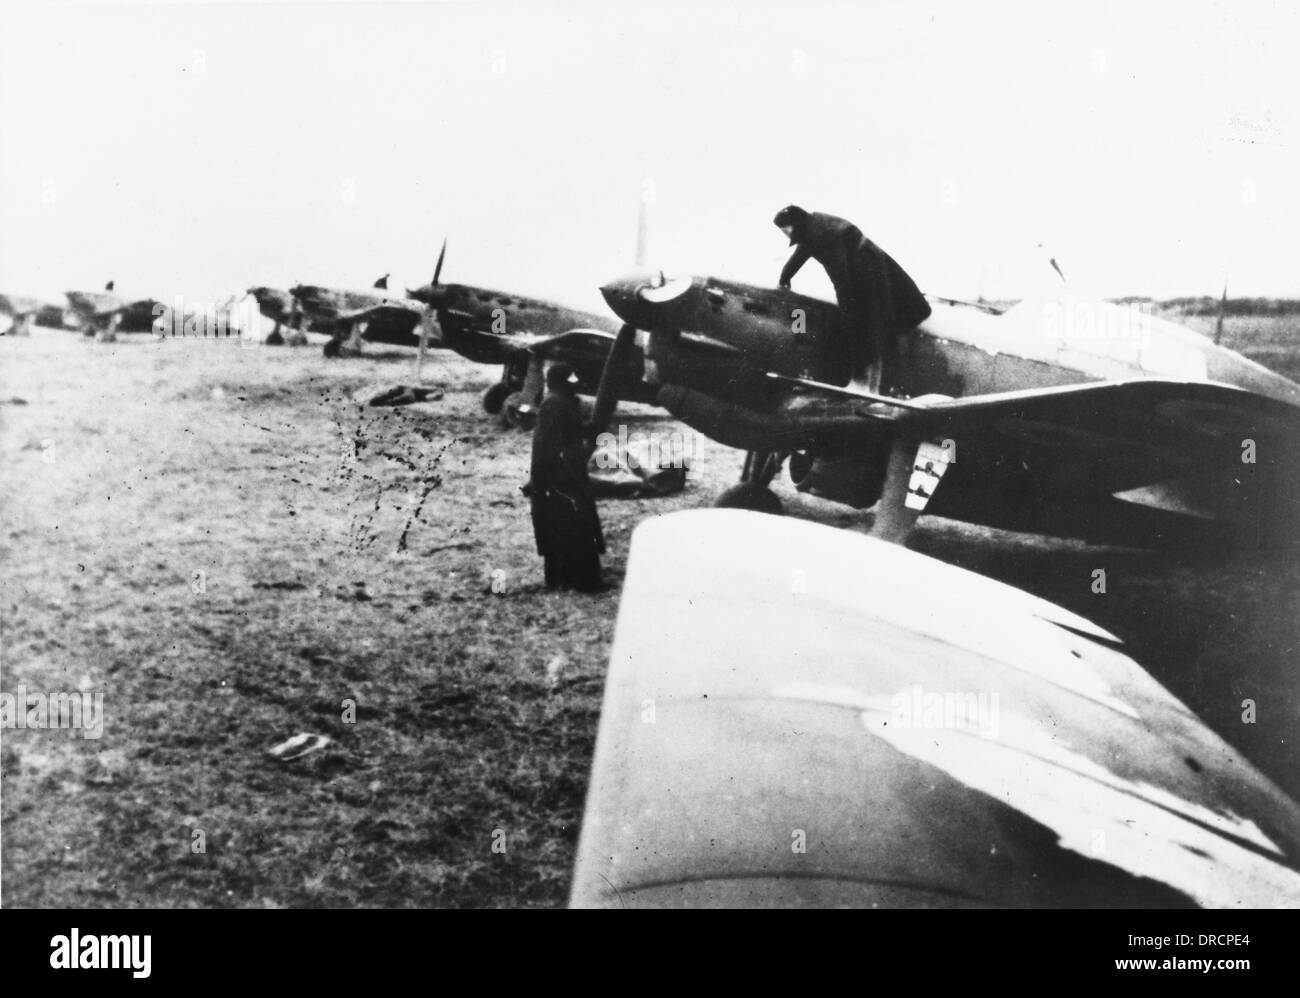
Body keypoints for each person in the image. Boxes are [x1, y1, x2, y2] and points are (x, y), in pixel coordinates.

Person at [774, 205, 931, 389]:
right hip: (867, 264)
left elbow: (841, 279)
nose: (785, 234)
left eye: (785, 230)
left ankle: (864, 385)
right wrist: (784, 279)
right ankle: (869, 384)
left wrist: (847, 310)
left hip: (867, 272)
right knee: (872, 328)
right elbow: (801, 254)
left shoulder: (821, 235)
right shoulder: (812, 227)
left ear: (793, 225)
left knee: (865, 328)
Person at [524, 362, 606, 591]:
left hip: (562, 474)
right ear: (561, 383)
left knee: (564, 526)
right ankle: (583, 580)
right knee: (574, 525)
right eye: (571, 382)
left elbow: (572, 431)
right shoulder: (555, 404)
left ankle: (563, 577)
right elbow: (547, 445)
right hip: (560, 476)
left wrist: (591, 428)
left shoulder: (560, 403)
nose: (576, 385)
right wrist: (546, 477)